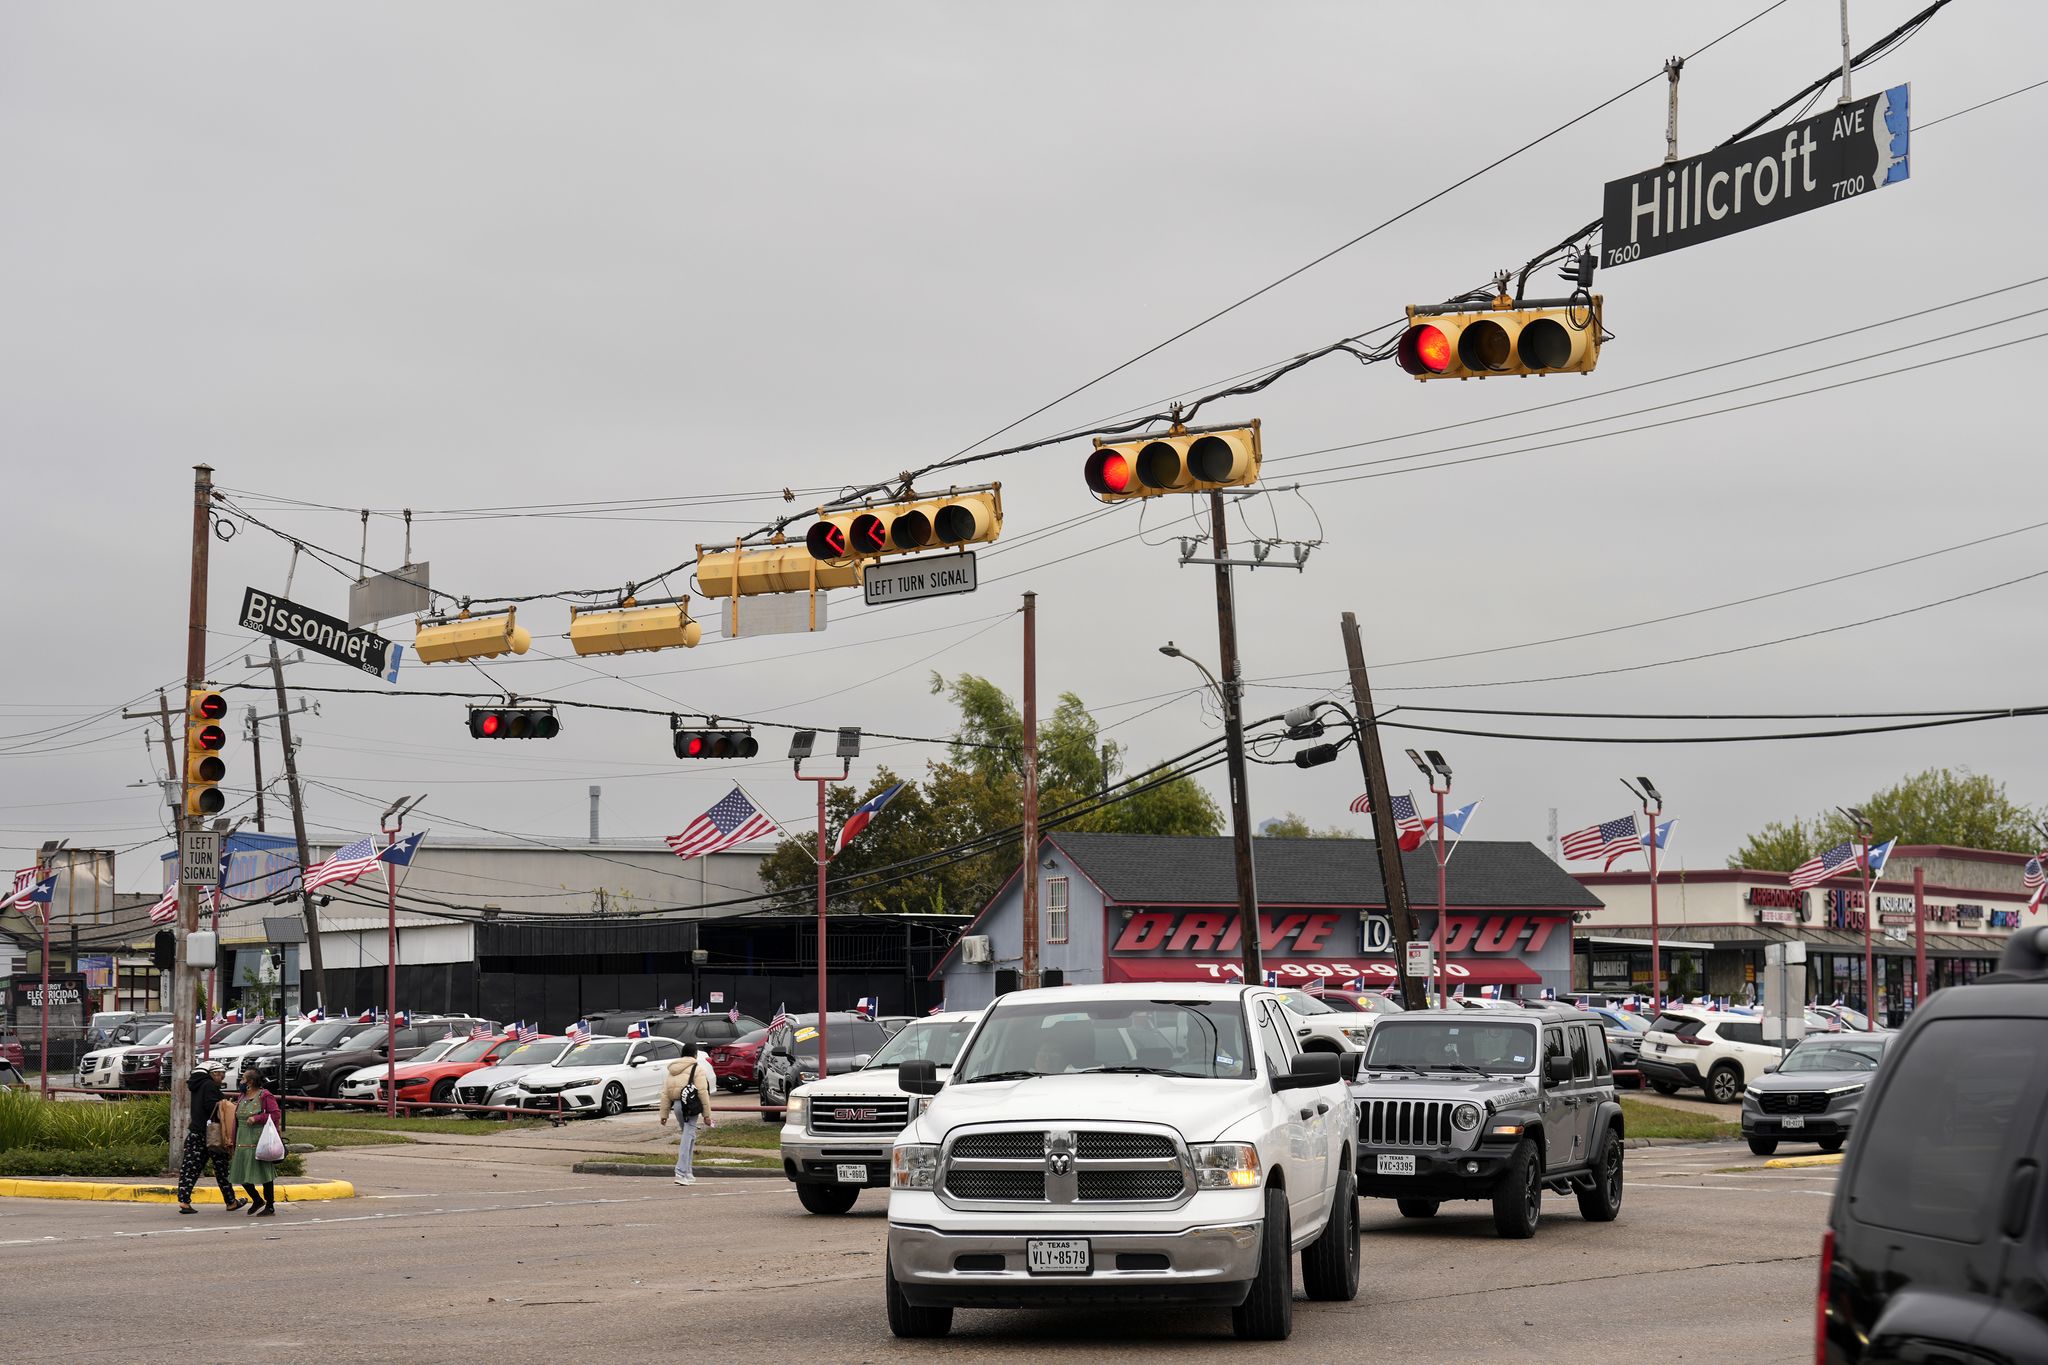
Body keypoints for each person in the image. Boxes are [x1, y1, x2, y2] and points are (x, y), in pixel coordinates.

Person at [175, 1061, 244, 1215]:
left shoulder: (197, 1085)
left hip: (195, 1133)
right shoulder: (209, 1086)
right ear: (213, 1073)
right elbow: (211, 1106)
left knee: (190, 1167)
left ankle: (184, 1201)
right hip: (213, 1134)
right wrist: (225, 1104)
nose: (222, 1078)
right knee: (221, 1168)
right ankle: (231, 1201)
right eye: (221, 1075)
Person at [657, 1043, 718, 1186]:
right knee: (687, 1136)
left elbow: (665, 1093)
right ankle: (681, 1171)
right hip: (690, 1107)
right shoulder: (697, 1068)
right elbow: (702, 1092)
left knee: (689, 1135)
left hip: (677, 1106)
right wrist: (707, 1115)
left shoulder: (672, 1070)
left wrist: (664, 1114)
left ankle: (688, 1172)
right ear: (695, 1054)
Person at [230, 1065, 285, 1216]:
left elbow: (275, 1114)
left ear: (250, 1081)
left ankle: (270, 1205)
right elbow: (236, 1120)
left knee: (265, 1175)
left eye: (243, 1079)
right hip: (242, 1140)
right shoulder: (242, 1096)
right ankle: (257, 1199)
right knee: (240, 1173)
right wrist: (231, 1139)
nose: (240, 1081)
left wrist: (257, 1118)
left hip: (258, 1140)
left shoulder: (264, 1095)